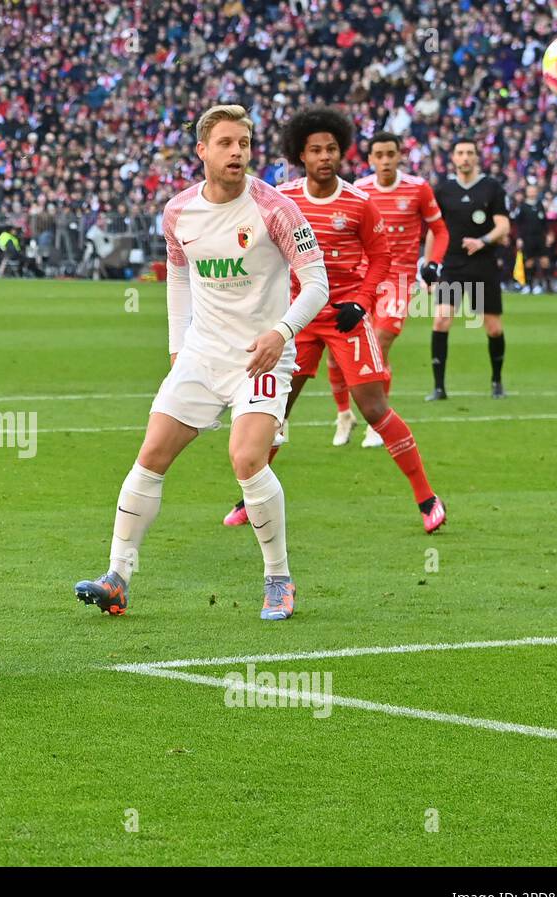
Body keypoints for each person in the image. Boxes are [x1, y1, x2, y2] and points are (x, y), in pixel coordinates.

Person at [73, 104, 330, 622]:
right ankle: (117, 578)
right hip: (202, 354)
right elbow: (176, 277)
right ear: (202, 151)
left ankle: (278, 579)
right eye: (226, 143)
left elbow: (319, 284)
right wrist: (176, 347)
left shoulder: (275, 209)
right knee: (150, 455)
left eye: (244, 144)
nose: (237, 152)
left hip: (261, 357)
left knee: (247, 459)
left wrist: (282, 333)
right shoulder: (178, 212)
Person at [223, 107, 445, 534]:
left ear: (341, 153)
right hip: (295, 320)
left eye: (332, 149)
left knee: (374, 406)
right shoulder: (281, 199)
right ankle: (249, 499)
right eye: (315, 150)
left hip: (346, 316)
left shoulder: (360, 203)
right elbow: (256, 247)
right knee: (275, 410)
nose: (325, 156)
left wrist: (362, 302)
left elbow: (382, 257)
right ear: (300, 156)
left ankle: (427, 499)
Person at [348, 132, 450, 448]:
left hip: (399, 280)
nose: (386, 161)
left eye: (391, 154)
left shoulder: (418, 188)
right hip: (364, 279)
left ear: (400, 155)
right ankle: (357, 415)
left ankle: (376, 423)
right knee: (360, 351)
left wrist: (432, 262)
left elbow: (440, 230)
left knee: (379, 343)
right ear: (371, 159)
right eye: (379, 155)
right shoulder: (359, 190)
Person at [430, 137, 511, 400]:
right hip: (452, 265)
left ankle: (497, 381)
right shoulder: (443, 190)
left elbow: (503, 226)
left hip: (483, 264)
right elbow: (435, 229)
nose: (465, 157)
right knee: (441, 320)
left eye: (470, 153)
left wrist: (482, 241)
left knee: (493, 328)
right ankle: (439, 388)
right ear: (453, 158)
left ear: (477, 157)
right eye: (460, 153)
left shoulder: (491, 187)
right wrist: (429, 264)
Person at [516, 183, 550, 295]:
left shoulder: (540, 205)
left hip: (540, 237)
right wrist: (519, 238)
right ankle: (528, 285)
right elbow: (518, 224)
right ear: (527, 193)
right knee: (529, 262)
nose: (532, 193)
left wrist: (548, 235)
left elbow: (545, 223)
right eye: (530, 191)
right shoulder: (523, 207)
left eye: (534, 191)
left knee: (544, 261)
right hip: (528, 238)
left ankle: (545, 285)